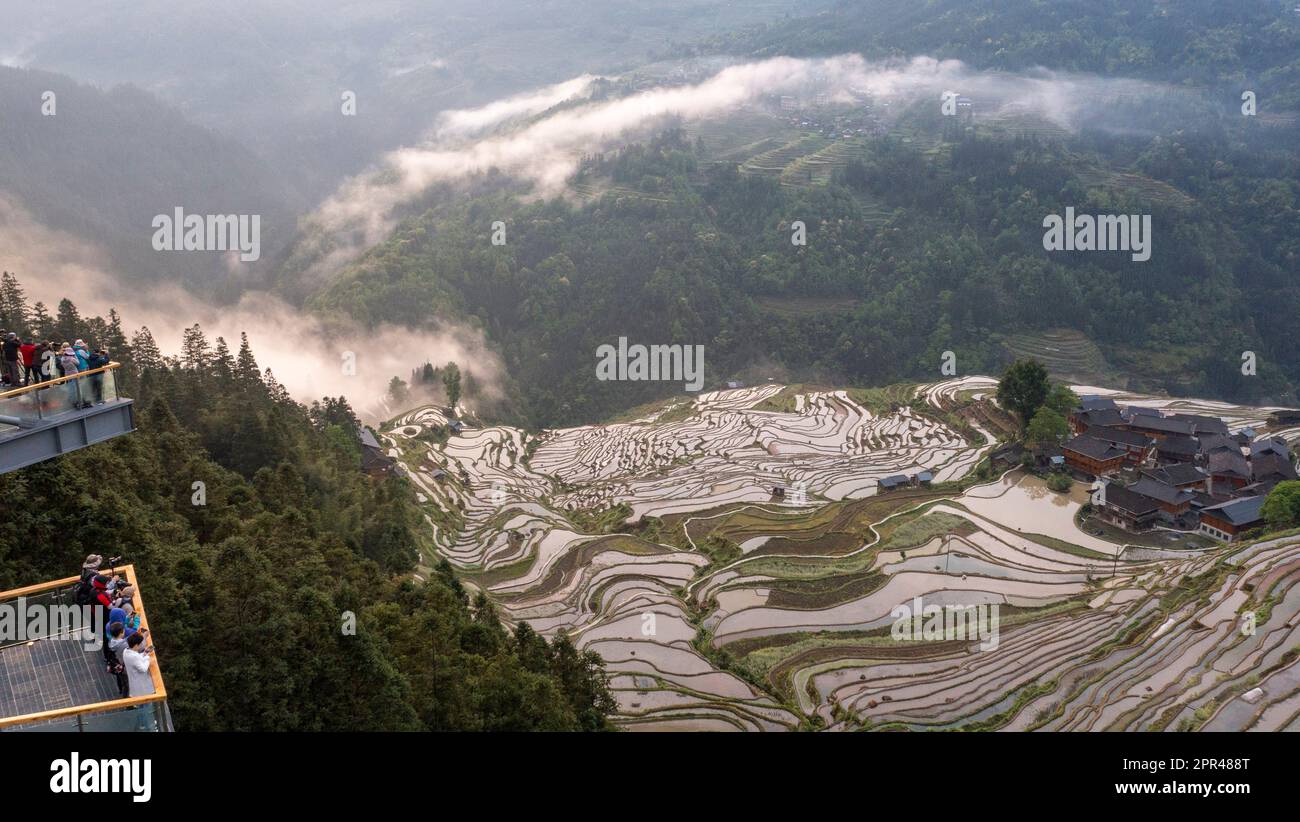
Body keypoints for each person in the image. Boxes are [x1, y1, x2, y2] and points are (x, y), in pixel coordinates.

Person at [122, 633, 156, 730]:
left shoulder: (126, 651)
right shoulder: (134, 656)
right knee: (146, 708)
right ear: (136, 645)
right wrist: (148, 658)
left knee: (141, 707)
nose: (142, 645)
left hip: (135, 686)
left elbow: (136, 661)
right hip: (142, 688)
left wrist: (144, 654)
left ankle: (142, 724)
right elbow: (143, 668)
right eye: (140, 644)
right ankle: (148, 727)